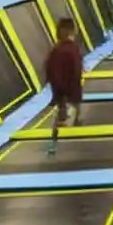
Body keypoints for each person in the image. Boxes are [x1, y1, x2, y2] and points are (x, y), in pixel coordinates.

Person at [44, 18, 84, 155]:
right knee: (64, 115)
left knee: (65, 115)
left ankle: (53, 145)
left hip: (65, 89)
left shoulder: (59, 49)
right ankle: (54, 145)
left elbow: (49, 70)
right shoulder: (68, 49)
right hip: (67, 89)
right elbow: (75, 69)